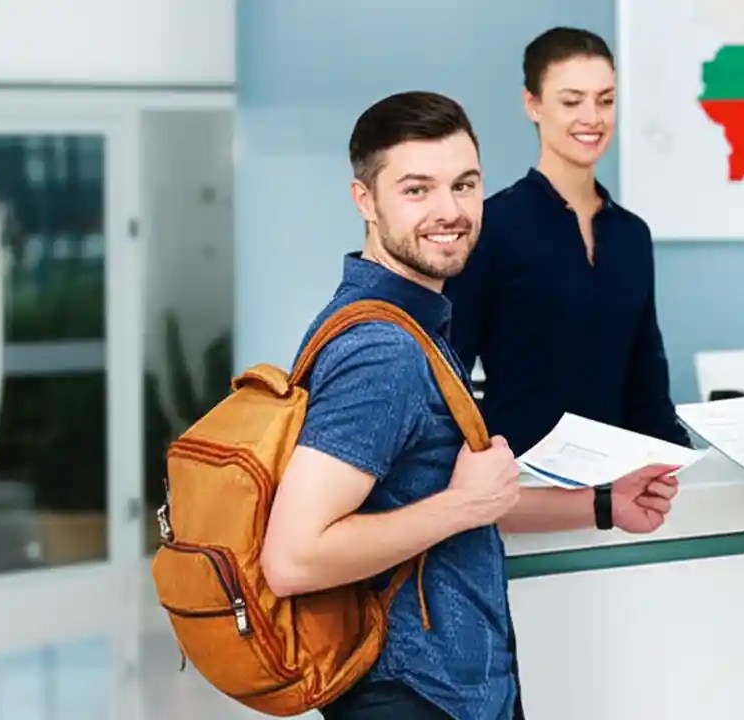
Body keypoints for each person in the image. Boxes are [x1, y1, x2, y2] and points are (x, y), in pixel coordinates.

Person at [259, 91, 681, 720]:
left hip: (452, 688)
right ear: (364, 202)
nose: (449, 211)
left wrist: (600, 504)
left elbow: (442, 501)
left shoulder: (420, 324)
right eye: (416, 189)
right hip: (412, 694)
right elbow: (293, 558)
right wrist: (462, 504)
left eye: (464, 184)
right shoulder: (383, 349)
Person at [443, 27, 690, 455]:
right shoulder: (492, 226)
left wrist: (683, 473)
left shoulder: (632, 236)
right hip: (519, 488)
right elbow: (449, 377)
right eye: (572, 101)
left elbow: (646, 384)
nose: (592, 117)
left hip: (615, 488)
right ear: (533, 105)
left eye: (606, 100)